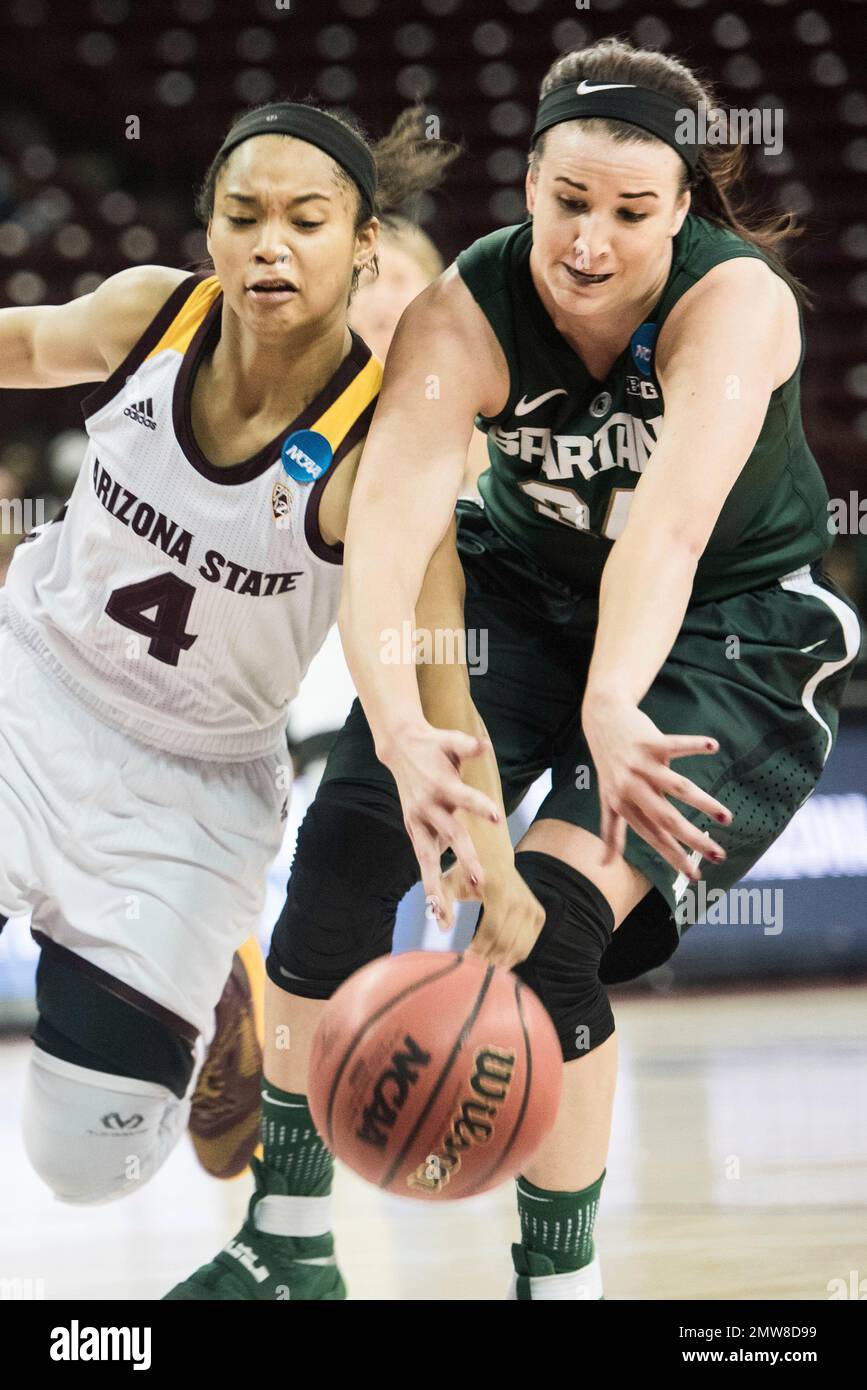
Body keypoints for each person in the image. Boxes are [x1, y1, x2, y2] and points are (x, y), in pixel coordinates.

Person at [167, 37, 861, 1302]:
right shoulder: (467, 313)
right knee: (343, 854)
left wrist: (610, 704)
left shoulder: (737, 302)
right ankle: (286, 1246)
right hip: (523, 599)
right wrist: (396, 722)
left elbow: (669, 531)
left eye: (630, 212)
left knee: (550, 943)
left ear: (687, 206)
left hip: (727, 628)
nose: (590, 242)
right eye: (567, 202)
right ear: (529, 184)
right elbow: (388, 543)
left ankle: (560, 1286)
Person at [0, 98, 463, 1205]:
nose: (270, 243)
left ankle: (216, 1000)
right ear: (206, 225)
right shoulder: (155, 318)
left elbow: (435, 654)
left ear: (363, 252)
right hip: (34, 690)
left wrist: (463, 815)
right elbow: (20, 342)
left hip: (194, 783)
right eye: (243, 213)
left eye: (306, 220)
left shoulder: (394, 446)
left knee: (87, 1165)